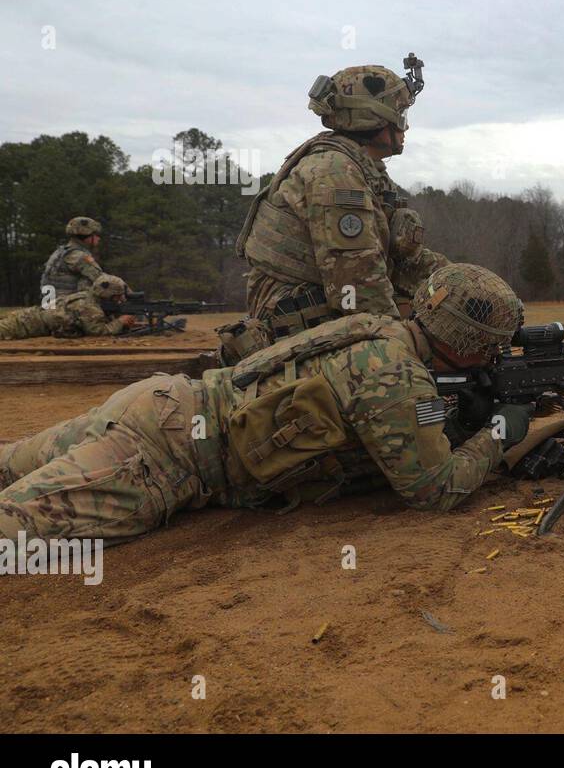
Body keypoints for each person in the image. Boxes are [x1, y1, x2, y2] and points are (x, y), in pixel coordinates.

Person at [0, 264, 532, 543]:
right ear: (466, 343)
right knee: (11, 530)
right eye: (490, 344)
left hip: (159, 402)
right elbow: (435, 491)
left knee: (8, 464)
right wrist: (502, 433)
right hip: (163, 458)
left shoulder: (379, 330)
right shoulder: (396, 375)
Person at [224, 55, 447, 363]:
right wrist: (401, 354)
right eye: (400, 114)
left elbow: (404, 258)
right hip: (296, 323)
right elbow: (357, 287)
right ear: (375, 118)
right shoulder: (335, 173)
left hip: (322, 307)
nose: (404, 125)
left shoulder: (363, 169)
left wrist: (461, 283)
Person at [0, 274, 136, 340]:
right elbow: (98, 331)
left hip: (31, 318)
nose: (120, 300)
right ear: (106, 294)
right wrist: (120, 322)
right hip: (26, 324)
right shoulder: (89, 307)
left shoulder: (91, 299)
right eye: (117, 297)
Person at [40, 217, 105, 297]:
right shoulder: (78, 255)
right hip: (66, 304)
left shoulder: (60, 251)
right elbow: (100, 279)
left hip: (50, 304)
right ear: (86, 235)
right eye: (96, 235)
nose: (98, 238)